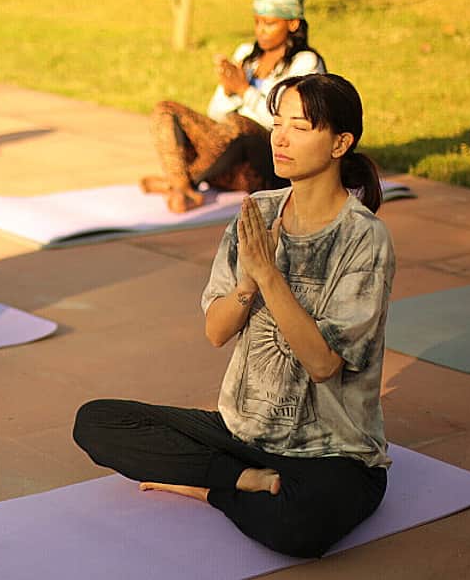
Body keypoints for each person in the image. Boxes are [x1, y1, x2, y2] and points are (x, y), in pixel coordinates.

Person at [76, 73, 394, 559]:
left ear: (340, 143)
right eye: (277, 124)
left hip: (331, 450)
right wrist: (247, 282)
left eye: (301, 127)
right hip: (241, 432)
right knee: (95, 422)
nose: (280, 139)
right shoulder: (255, 213)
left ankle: (208, 488)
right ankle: (242, 480)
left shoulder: (364, 239)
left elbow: (325, 364)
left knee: (298, 531)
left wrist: (268, 275)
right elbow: (216, 331)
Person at [141, 0, 326, 213]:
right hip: (223, 161)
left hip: (268, 163)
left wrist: (245, 91)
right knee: (166, 109)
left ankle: (183, 182)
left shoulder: (306, 63)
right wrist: (228, 91)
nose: (260, 30)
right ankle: (181, 185)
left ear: (292, 24)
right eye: (257, 22)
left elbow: (290, 125)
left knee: (241, 125)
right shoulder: (246, 54)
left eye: (269, 23)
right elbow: (215, 115)